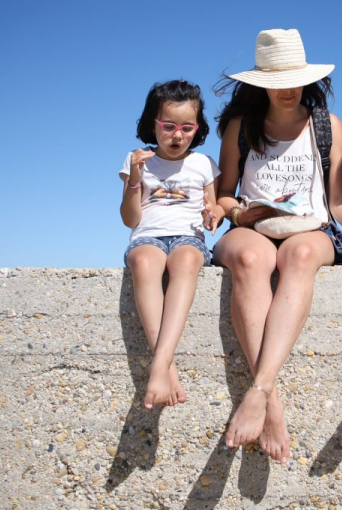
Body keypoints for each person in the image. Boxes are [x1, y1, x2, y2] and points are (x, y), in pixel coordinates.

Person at [212, 28, 342, 463]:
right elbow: (224, 194)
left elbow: (338, 201)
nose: (287, 89)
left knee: (302, 254)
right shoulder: (240, 127)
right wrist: (239, 214)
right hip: (253, 227)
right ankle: (270, 403)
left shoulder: (327, 126)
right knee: (252, 258)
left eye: (294, 78)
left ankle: (258, 391)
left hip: (312, 228)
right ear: (259, 83)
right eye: (276, 81)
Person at [119, 80, 222, 409]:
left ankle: (159, 365)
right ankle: (166, 367)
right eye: (169, 126)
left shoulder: (203, 164)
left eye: (187, 128)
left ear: (198, 128)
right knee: (145, 264)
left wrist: (213, 216)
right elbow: (130, 219)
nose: (177, 135)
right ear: (154, 124)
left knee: (186, 263)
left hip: (188, 236)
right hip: (148, 234)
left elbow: (213, 208)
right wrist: (135, 179)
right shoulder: (139, 161)